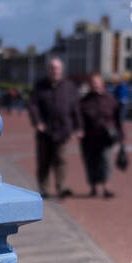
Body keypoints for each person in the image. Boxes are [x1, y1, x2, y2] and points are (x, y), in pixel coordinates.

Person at [27, 56, 82, 198]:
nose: (55, 71)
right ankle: (44, 189)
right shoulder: (40, 86)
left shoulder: (69, 87)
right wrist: (37, 122)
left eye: (57, 68)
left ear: (61, 70)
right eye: (52, 68)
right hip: (45, 130)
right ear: (48, 70)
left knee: (61, 160)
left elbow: (76, 108)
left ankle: (61, 187)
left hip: (63, 130)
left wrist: (79, 127)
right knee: (43, 161)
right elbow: (33, 105)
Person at [80, 73, 124, 198]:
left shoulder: (110, 99)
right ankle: (93, 187)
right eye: (92, 82)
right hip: (88, 138)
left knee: (106, 162)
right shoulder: (84, 101)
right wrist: (79, 129)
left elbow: (117, 119)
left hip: (106, 138)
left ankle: (106, 187)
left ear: (102, 83)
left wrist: (121, 135)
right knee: (90, 163)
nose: (95, 85)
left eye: (97, 82)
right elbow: (78, 119)